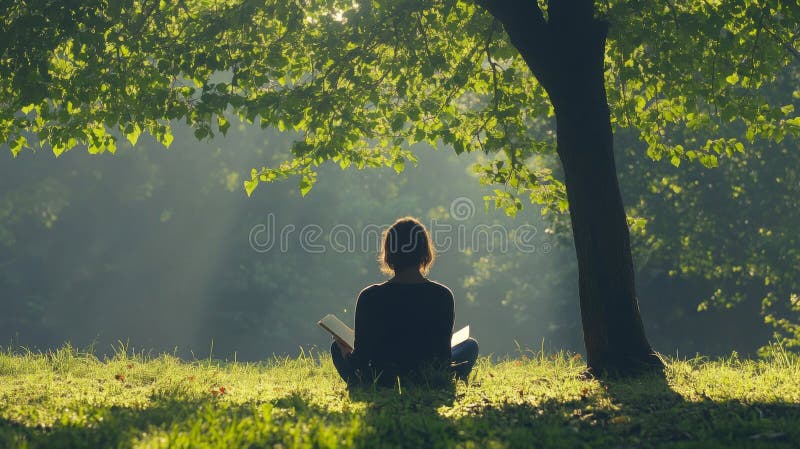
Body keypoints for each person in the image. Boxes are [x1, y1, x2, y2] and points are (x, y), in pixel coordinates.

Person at [330, 216, 479, 387]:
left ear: (389, 254)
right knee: (470, 346)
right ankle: (440, 382)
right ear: (425, 253)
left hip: (383, 379)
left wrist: (345, 352)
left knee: (336, 347)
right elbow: (443, 356)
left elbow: (361, 360)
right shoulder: (442, 295)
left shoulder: (369, 296)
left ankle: (361, 384)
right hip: (427, 377)